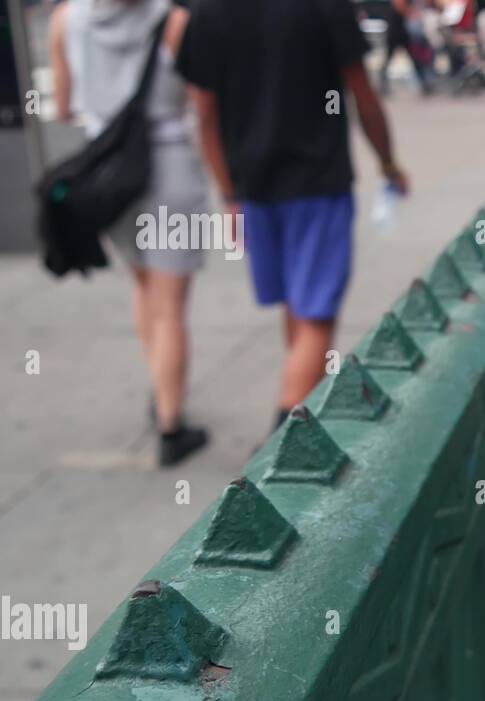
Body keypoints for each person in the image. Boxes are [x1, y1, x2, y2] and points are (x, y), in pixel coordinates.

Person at [176, 0, 410, 430]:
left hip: (252, 186)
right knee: (316, 315)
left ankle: (305, 417)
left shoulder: (208, 11)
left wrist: (229, 194)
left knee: (298, 309)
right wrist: (389, 164)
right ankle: (285, 434)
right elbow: (362, 94)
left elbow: (204, 113)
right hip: (316, 183)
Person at [50, 0, 210, 467]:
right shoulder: (176, 22)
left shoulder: (65, 20)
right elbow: (203, 102)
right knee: (171, 304)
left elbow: (63, 106)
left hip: (109, 178)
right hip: (170, 167)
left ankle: (161, 391)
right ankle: (171, 424)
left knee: (143, 285)